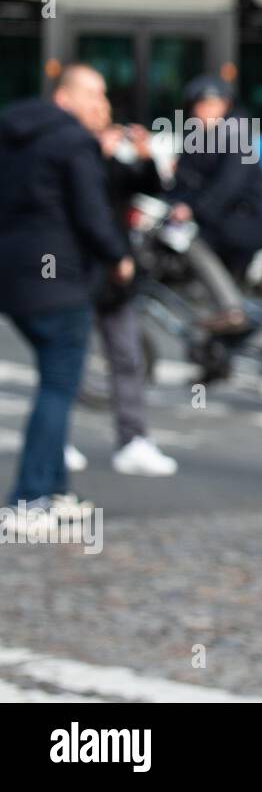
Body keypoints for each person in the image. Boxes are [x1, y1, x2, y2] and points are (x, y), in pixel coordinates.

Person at [0, 63, 133, 518]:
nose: (105, 107)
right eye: (95, 95)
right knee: (57, 386)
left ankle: (52, 490)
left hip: (14, 277)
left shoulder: (13, 132)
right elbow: (93, 215)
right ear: (65, 97)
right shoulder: (73, 141)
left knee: (53, 381)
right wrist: (120, 257)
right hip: (58, 281)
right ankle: (30, 498)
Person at [93, 119, 179, 477]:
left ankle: (132, 439)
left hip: (113, 280)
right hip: (78, 275)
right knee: (62, 366)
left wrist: (145, 154)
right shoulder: (73, 158)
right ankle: (56, 442)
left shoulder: (113, 164)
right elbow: (88, 215)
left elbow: (151, 186)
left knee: (128, 357)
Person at [167, 75, 262, 283]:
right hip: (220, 218)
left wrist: (191, 209)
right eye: (198, 105)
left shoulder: (237, 137)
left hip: (245, 219)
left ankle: (229, 307)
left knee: (193, 243)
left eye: (209, 105)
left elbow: (228, 185)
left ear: (225, 105)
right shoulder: (197, 137)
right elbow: (185, 179)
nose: (201, 111)